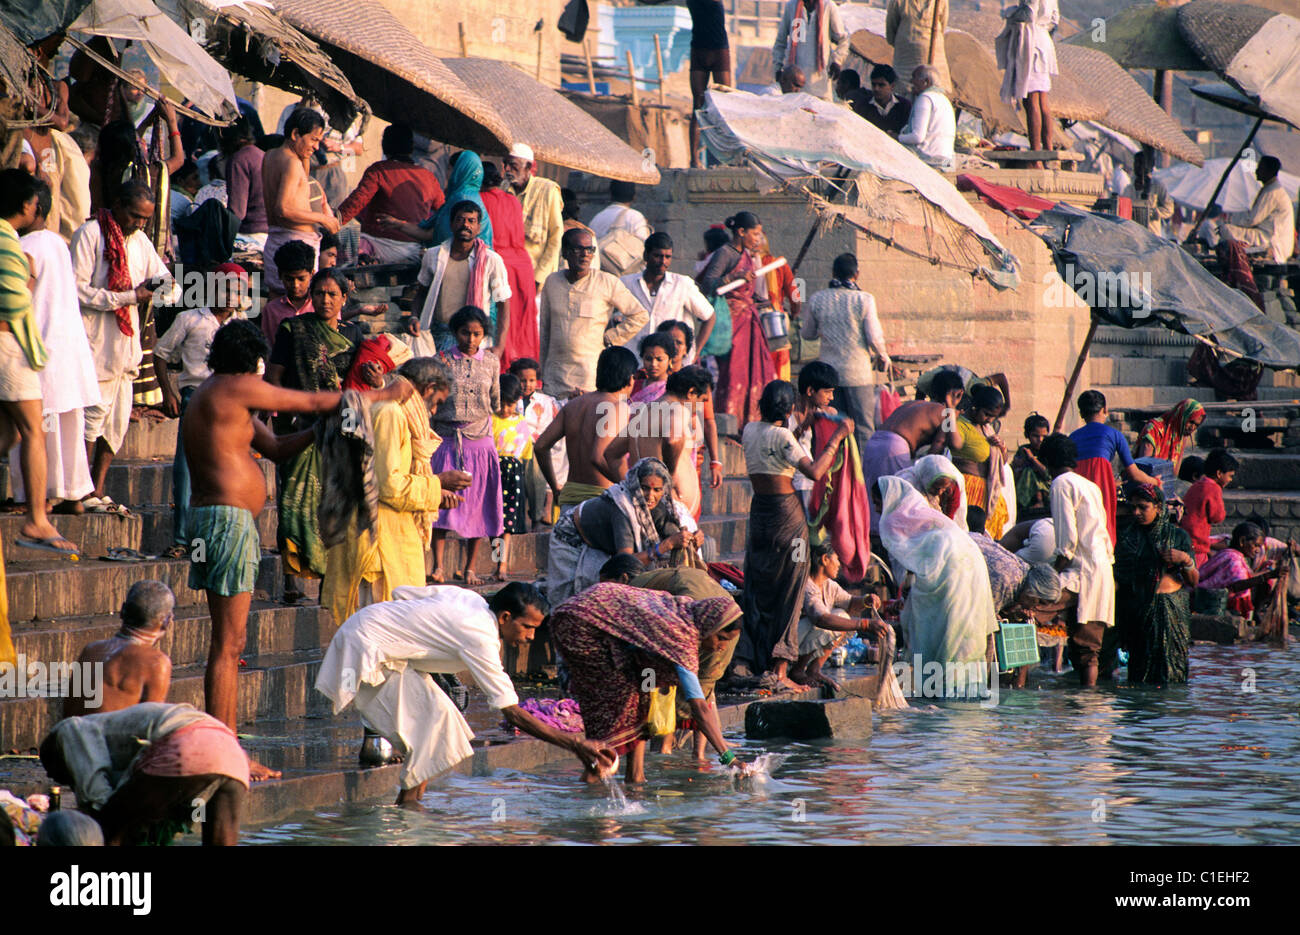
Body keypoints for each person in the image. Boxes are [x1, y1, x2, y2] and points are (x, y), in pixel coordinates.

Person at [189, 318, 409, 779]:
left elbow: (275, 447)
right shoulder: (232, 388)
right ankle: (227, 755)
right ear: (249, 364)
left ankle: (222, 750)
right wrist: (380, 396)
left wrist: (323, 432)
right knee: (230, 645)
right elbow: (309, 400)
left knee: (226, 643)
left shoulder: (219, 397)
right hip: (226, 524)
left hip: (216, 524)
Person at [317, 583, 614, 804]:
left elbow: (402, 593)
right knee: (429, 732)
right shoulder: (480, 635)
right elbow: (510, 711)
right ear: (505, 617)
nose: (530, 638)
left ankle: (411, 811)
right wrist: (576, 745)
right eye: (526, 627)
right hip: (368, 647)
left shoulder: (471, 600)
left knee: (442, 725)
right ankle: (407, 814)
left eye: (536, 630)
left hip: (375, 637)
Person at [550, 581, 748, 782]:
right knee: (616, 706)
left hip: (591, 617)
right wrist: (729, 758)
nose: (722, 647)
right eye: (720, 638)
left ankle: (635, 776)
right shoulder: (680, 636)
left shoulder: (685, 612)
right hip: (580, 623)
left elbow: (645, 670)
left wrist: (646, 698)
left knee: (641, 699)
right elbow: (699, 707)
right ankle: (594, 776)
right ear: (709, 624)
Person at [322, 356, 470, 625]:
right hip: (379, 547)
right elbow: (390, 486)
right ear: (427, 389)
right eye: (436, 402)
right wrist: (438, 483)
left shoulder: (389, 410)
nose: (434, 412)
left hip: (382, 538)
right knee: (378, 644)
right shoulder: (390, 413)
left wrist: (436, 493)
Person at [733, 380, 853, 690]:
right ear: (788, 410)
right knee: (792, 587)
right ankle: (781, 669)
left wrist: (804, 428)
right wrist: (837, 437)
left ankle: (746, 661)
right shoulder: (783, 435)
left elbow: (780, 445)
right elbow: (813, 471)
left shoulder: (750, 430)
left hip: (759, 515)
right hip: (788, 520)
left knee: (757, 586)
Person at [72, 181, 172, 516]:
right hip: (95, 345)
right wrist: (128, 296)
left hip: (126, 349)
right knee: (90, 421)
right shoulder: (90, 234)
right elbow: (79, 291)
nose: (139, 223)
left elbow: (165, 280)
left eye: (144, 219)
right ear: (117, 204)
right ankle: (79, 489)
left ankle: (97, 489)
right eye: (134, 216)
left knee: (115, 425)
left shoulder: (140, 241)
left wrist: (157, 288)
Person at [265, 269, 365, 596]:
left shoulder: (355, 335)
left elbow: (358, 385)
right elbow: (275, 375)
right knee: (292, 501)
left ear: (344, 299)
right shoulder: (293, 330)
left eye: (332, 294)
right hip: (298, 426)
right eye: (319, 293)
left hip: (338, 432)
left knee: (331, 504)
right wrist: (286, 413)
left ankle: (328, 580)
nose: (324, 300)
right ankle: (290, 579)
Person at [9, 179, 98, 521]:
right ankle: (72, 494)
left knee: (38, 428)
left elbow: (23, 297)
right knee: (66, 428)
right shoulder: (59, 243)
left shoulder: (24, 246)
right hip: (67, 348)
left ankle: (42, 496)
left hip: (41, 346)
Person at [40, 702, 249, 846]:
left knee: (110, 827)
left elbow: (97, 798)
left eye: (58, 775)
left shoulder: (68, 731)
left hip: (187, 745)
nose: (63, 781)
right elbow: (190, 811)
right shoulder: (111, 736)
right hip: (233, 757)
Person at [154, 263, 249, 558]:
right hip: (194, 397)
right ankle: (182, 539)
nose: (230, 295)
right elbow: (161, 353)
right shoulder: (189, 319)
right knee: (186, 468)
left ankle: (216, 540)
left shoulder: (241, 326)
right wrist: (168, 392)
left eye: (236, 290)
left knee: (223, 469)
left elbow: (254, 369)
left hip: (229, 402)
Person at [875, 475, 997, 698]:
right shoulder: (924, 516)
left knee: (946, 630)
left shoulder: (896, 520)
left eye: (877, 503)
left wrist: (908, 600)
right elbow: (917, 565)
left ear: (888, 500)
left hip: (953, 572)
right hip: (968, 568)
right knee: (960, 627)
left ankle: (942, 693)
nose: (876, 509)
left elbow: (918, 567)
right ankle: (958, 692)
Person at [546, 457, 699, 605]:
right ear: (635, 485)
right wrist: (667, 544)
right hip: (570, 537)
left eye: (657, 490)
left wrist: (693, 538)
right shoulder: (623, 508)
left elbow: (675, 535)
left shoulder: (660, 506)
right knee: (572, 599)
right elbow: (625, 563)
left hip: (605, 542)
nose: (650, 496)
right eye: (644, 488)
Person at [423, 306, 504, 586]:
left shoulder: (492, 362)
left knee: (478, 507)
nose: (471, 339)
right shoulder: (440, 360)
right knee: (441, 504)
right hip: (446, 440)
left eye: (477, 334)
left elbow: (495, 399)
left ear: (484, 335)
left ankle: (470, 568)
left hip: (479, 442)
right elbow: (430, 400)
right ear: (455, 332)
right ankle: (438, 567)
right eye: (465, 333)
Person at [1039, 433, 1115, 687]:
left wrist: (1051, 571)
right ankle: (1086, 700)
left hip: (1082, 569)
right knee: (1089, 646)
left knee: (1031, 607)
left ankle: (1085, 698)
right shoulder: (1090, 485)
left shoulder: (1060, 484)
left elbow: (1067, 541)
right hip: (1101, 566)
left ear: (1047, 461)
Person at [539, 227, 647, 399]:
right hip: (555, 378)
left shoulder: (607, 282)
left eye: (589, 250)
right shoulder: (552, 282)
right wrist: (542, 372)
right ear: (565, 252)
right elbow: (545, 331)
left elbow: (640, 315)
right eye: (578, 249)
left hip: (589, 377)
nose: (585, 255)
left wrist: (611, 337)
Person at [802, 253, 890, 457]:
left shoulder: (817, 299)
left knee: (830, 426)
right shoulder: (864, 299)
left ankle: (832, 476)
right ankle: (863, 478)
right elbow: (874, 337)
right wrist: (883, 356)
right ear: (856, 274)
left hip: (827, 375)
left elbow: (807, 333)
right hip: (858, 374)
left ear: (833, 273)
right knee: (863, 428)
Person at [535, 346, 638, 509]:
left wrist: (554, 487)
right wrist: (631, 489)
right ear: (630, 379)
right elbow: (598, 456)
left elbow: (540, 446)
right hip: (600, 500)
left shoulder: (574, 404)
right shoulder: (618, 407)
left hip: (569, 497)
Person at [697, 211, 775, 427]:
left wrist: (759, 300)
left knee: (755, 373)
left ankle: (750, 421)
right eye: (755, 233)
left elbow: (745, 290)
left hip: (749, 319)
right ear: (741, 232)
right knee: (733, 374)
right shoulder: (725, 253)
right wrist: (734, 277)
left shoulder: (749, 255)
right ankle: (731, 422)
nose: (758, 239)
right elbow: (708, 285)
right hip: (731, 322)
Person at [863, 368, 965, 531]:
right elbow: (953, 443)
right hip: (893, 449)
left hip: (874, 443)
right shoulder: (945, 412)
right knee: (895, 504)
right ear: (958, 394)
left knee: (876, 501)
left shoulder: (915, 404)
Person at [1116, 482, 1197, 686]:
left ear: (1158, 507)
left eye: (1143, 507)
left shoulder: (1177, 536)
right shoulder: (1126, 535)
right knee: (1138, 671)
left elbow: (1193, 581)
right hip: (1136, 611)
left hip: (1169, 611)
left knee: (1172, 671)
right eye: (1133, 507)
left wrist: (1185, 560)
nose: (1136, 512)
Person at [406, 201, 510, 354]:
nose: (465, 225)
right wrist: (414, 317)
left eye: (471, 221)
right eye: (460, 220)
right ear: (452, 224)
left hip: (474, 338)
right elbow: (421, 293)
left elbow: (503, 304)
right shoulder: (434, 255)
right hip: (439, 333)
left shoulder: (491, 260)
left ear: (478, 227)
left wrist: (500, 346)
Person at [618, 364, 714, 524]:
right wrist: (668, 478)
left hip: (652, 503)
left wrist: (630, 487)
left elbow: (611, 454)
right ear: (691, 393)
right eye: (702, 400)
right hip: (667, 510)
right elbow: (672, 439)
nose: (701, 407)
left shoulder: (642, 412)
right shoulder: (679, 409)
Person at [63, 580, 174, 717]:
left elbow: (68, 713)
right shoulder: (156, 662)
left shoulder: (91, 650)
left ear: (122, 610)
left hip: (70, 735)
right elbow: (150, 725)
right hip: (104, 737)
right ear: (166, 621)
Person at [337, 123, 444, 264]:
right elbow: (443, 211)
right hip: (413, 249)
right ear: (411, 148)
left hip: (374, 246)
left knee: (345, 241)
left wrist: (334, 221)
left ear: (384, 145)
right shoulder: (428, 176)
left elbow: (355, 204)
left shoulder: (379, 170)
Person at [1069, 389, 1161, 545]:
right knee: (1101, 531)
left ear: (1081, 414)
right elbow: (1134, 474)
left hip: (1076, 487)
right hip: (1100, 488)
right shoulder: (1114, 434)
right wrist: (1155, 482)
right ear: (1105, 410)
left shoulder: (1073, 436)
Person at [791, 539, 887, 689]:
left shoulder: (829, 585)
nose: (839, 565)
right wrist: (865, 624)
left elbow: (849, 602)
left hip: (804, 638)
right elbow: (821, 619)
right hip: (791, 640)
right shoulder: (807, 585)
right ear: (824, 559)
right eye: (837, 559)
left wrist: (866, 600)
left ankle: (814, 669)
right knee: (833, 620)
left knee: (841, 615)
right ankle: (797, 671)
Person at [262, 108, 337, 294]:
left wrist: (306, 156)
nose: (316, 147)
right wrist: (323, 219)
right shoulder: (291, 162)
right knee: (299, 305)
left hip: (275, 240)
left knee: (277, 303)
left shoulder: (270, 155)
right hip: (295, 245)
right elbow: (283, 209)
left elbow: (301, 184)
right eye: (313, 140)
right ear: (295, 134)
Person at [480, 160, 538, 369]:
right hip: (522, 265)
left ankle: (503, 369)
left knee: (501, 319)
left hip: (498, 263)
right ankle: (525, 372)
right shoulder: (512, 200)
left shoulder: (478, 200)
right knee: (522, 323)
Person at [621, 232, 715, 357]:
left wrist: (696, 352)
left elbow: (709, 316)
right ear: (646, 255)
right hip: (635, 359)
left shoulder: (682, 284)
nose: (663, 261)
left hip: (672, 364)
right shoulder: (626, 283)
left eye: (667, 257)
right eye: (657, 256)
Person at [996, 0, 1058, 163]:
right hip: (1044, 41)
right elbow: (1054, 20)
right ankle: (1047, 147)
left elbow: (1028, 13)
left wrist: (1009, 13)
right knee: (1042, 99)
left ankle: (1036, 152)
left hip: (1031, 42)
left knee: (1031, 100)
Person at [510, 357, 566, 527]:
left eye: (532, 380)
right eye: (522, 380)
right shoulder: (510, 399)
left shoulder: (545, 401)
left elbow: (559, 414)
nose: (527, 384)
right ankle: (521, 518)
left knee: (536, 472)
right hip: (513, 448)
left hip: (536, 448)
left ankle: (536, 514)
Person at [953, 384, 1010, 538]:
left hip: (987, 490)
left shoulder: (988, 429)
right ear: (975, 407)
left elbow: (1002, 462)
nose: (989, 419)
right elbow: (953, 443)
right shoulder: (959, 425)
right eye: (986, 414)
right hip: (967, 489)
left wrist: (1002, 448)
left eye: (993, 417)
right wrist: (949, 411)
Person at [504, 143, 564, 288]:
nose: (507, 169)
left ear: (528, 167)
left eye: (513, 165)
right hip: (507, 276)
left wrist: (538, 278)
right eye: (505, 164)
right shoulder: (503, 190)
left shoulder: (548, 190)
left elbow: (556, 238)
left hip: (536, 278)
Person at [1219, 156, 1296, 263]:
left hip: (1270, 240)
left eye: (1260, 168)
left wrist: (1231, 226)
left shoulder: (1272, 191)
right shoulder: (1271, 189)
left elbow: (1251, 220)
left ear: (1269, 171)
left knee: (1226, 229)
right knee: (1227, 229)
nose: (1257, 171)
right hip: (1269, 237)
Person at [1199, 522, 1281, 618]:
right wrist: (1267, 576)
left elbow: (1247, 576)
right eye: (1256, 545)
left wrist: (1269, 573)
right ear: (1242, 541)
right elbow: (1238, 584)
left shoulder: (1229, 554)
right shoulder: (1233, 559)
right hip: (1214, 605)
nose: (1258, 550)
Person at [686, 0, 732, 167]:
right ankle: (694, 159)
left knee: (725, 107)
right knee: (697, 107)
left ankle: (727, 159)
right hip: (699, 49)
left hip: (719, 50)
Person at [772, 0, 849, 100]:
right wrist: (778, 68)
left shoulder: (828, 6)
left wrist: (837, 61)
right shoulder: (791, 6)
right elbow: (780, 42)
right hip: (795, 87)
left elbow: (843, 40)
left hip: (820, 85)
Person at [492, 373, 529, 580]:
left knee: (508, 523)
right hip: (494, 471)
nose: (505, 409)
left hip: (513, 474)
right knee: (494, 520)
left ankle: (502, 565)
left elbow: (525, 453)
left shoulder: (521, 422)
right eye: (502, 404)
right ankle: (496, 558)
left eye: (510, 404)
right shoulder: (490, 420)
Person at [1180, 448, 1234, 568]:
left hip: (1186, 538)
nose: (1230, 480)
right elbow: (1217, 517)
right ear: (1219, 474)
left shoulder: (1197, 484)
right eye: (1230, 476)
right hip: (1197, 544)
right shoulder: (1213, 488)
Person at [886, 0, 951, 99]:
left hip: (935, 63)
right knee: (905, 103)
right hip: (905, 67)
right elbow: (891, 32)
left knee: (934, 98)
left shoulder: (940, 2)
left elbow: (942, 26)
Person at [899, 66, 956, 171]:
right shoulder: (944, 99)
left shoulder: (925, 98)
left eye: (914, 77)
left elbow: (917, 137)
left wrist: (896, 138)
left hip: (931, 160)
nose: (911, 81)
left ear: (926, 81)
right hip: (948, 162)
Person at [258, 240, 315, 344]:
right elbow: (269, 347)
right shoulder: (271, 310)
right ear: (280, 275)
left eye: (301, 279)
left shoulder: (321, 304)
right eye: (289, 279)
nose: (295, 285)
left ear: (312, 274)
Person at [223, 118, 268, 248]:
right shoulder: (261, 155)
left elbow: (237, 212)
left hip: (251, 234)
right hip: (268, 232)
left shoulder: (239, 159)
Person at [1134, 398, 1205, 464]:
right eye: (1191, 422)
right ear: (1182, 416)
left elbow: (1175, 471)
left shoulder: (1181, 434)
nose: (1192, 428)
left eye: (1196, 425)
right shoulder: (1154, 429)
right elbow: (1143, 465)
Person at [1012, 412, 1052, 519]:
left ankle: (1039, 500)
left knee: (1029, 471)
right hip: (1024, 493)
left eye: (1044, 436)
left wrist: (1032, 459)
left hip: (1046, 491)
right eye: (1036, 436)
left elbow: (1048, 474)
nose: (1040, 440)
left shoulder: (1048, 451)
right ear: (1027, 435)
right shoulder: (1023, 450)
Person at [590, 180, 652, 244]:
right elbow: (644, 244)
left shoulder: (597, 218)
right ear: (634, 197)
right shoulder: (635, 217)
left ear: (611, 194)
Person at [861, 64, 912, 138]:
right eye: (873, 84)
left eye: (881, 85)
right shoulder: (864, 105)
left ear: (892, 86)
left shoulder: (904, 106)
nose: (876, 89)